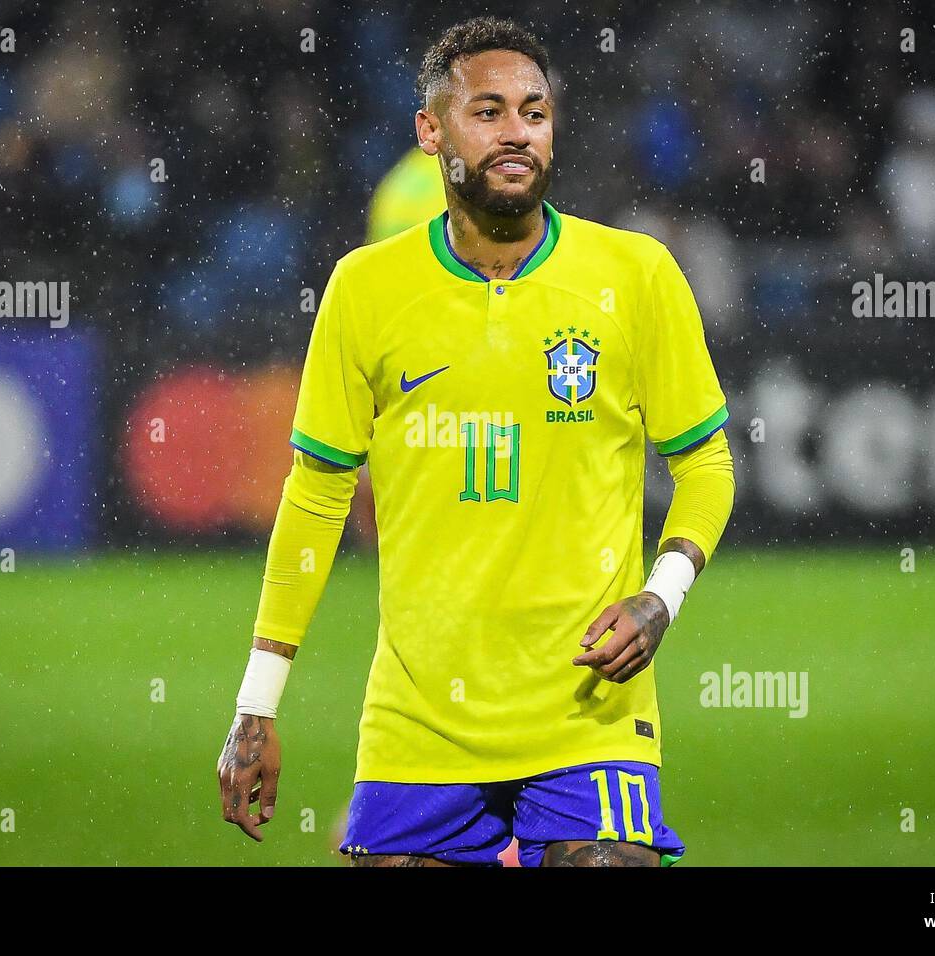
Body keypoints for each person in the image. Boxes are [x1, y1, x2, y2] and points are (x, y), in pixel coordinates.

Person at [218, 16, 735, 867]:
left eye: (533, 112)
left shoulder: (635, 275)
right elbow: (315, 496)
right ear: (431, 131)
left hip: (588, 710)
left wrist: (661, 594)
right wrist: (256, 704)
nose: (517, 133)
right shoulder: (365, 289)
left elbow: (706, 463)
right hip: (418, 719)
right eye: (487, 112)